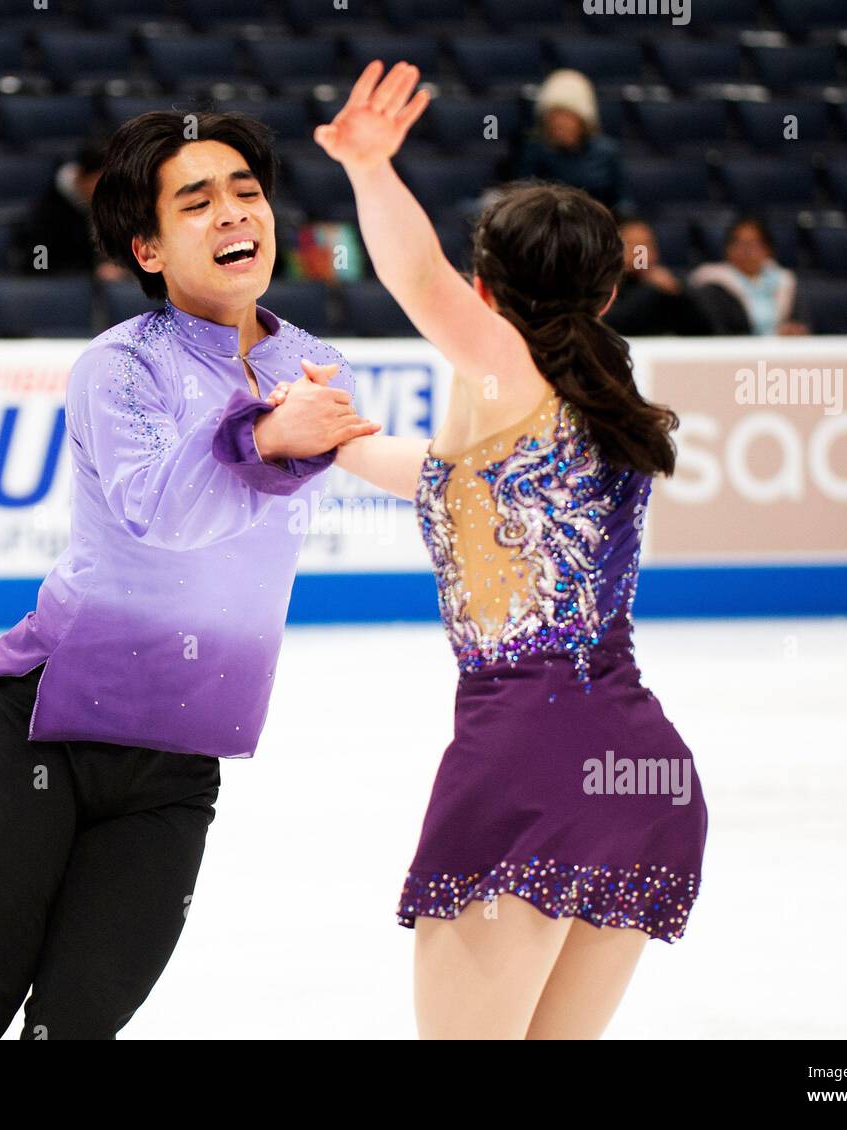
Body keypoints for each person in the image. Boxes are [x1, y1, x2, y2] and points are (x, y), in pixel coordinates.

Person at [0, 109, 380, 1040]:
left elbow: (379, 462)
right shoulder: (119, 366)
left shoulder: (317, 363)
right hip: (42, 728)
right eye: (198, 202)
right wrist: (267, 435)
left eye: (247, 192)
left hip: (181, 759)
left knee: (76, 1026)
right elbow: (164, 511)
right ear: (147, 249)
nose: (235, 215)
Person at [268, 61, 708, 1039]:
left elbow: (416, 280)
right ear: (602, 294)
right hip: (640, 771)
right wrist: (337, 438)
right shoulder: (599, 389)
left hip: (531, 759)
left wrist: (372, 172)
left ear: (485, 287)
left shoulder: (505, 366)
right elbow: (454, 478)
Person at [510, 68, 630, 215]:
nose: (560, 123)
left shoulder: (607, 151)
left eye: (567, 116)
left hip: (597, 224)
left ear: (583, 120)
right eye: (554, 115)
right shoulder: (534, 151)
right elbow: (521, 199)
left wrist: (626, 220)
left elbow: (623, 201)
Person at [16, 138, 127, 281]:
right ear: (81, 176)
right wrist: (90, 273)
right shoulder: (48, 213)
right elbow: (38, 260)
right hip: (63, 285)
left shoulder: (115, 204)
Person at [688, 216, 811, 335]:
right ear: (727, 248)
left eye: (753, 244)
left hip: (780, 352)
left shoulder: (784, 281)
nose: (746, 251)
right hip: (736, 353)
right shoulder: (712, 285)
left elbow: (801, 323)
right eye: (739, 243)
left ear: (768, 249)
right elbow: (716, 332)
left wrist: (794, 330)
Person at [604, 215, 713, 337]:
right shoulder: (604, 285)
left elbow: (706, 330)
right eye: (632, 244)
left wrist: (678, 292)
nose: (640, 253)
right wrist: (649, 289)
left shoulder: (670, 287)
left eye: (646, 245)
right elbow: (611, 325)